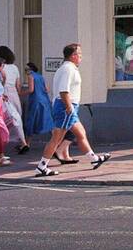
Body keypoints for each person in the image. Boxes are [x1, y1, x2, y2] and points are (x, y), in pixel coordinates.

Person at [36, 44, 109, 176]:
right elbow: (64, 90)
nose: (81, 57)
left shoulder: (67, 68)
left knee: (81, 133)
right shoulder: (68, 69)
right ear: (73, 56)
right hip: (66, 106)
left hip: (69, 106)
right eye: (79, 54)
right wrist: (69, 107)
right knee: (57, 139)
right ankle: (42, 166)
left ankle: (94, 159)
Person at [0, 45, 30, 155]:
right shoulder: (14, 67)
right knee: (17, 117)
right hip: (14, 93)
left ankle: (0, 145)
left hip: (3, 93)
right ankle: (22, 141)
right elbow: (18, 85)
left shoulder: (0, 68)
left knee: (3, 119)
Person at [21, 60, 53, 140]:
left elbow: (31, 90)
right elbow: (46, 89)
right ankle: (56, 141)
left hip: (35, 101)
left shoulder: (30, 76)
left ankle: (27, 143)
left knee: (31, 121)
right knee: (48, 121)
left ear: (30, 69)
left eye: (26, 70)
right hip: (44, 100)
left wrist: (21, 93)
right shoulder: (40, 76)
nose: (25, 72)